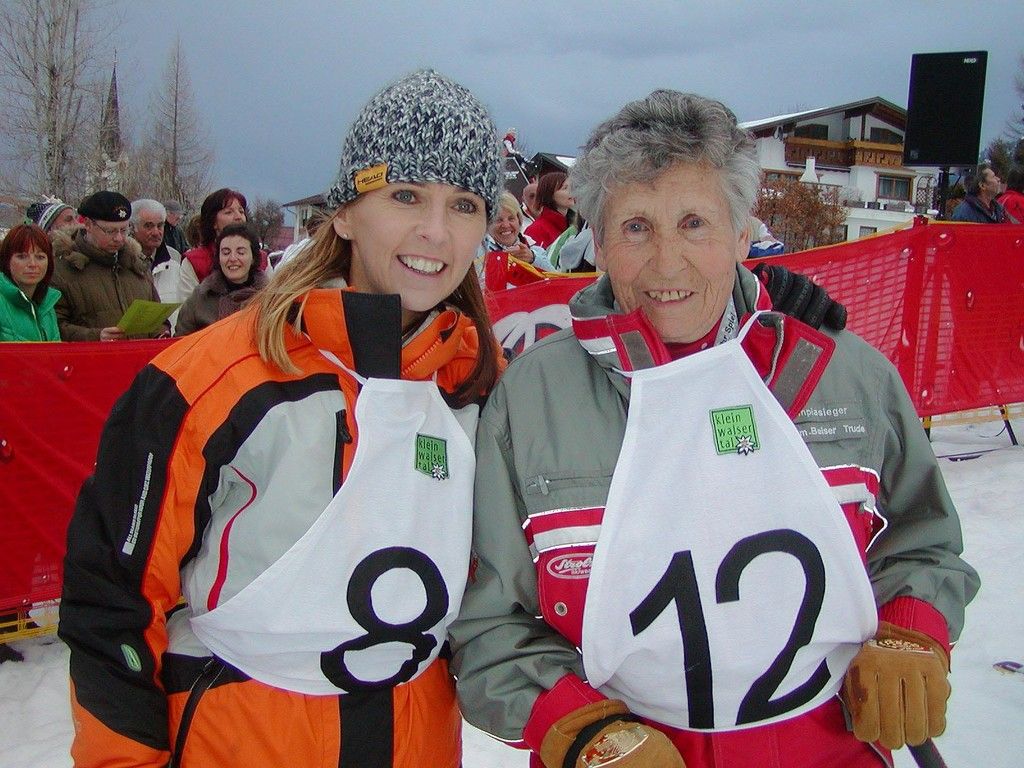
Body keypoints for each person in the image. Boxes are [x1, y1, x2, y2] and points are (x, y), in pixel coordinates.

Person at [450, 89, 979, 768]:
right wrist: (578, 728)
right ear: (599, 245)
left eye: (695, 223)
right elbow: (489, 621)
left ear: (740, 235)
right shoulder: (534, 401)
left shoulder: (844, 374)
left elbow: (924, 539)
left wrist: (914, 628)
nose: (667, 262)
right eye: (636, 227)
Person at [59, 69, 505, 768]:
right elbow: (111, 597)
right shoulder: (206, 381)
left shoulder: (479, 384)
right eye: (407, 195)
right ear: (346, 212)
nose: (435, 231)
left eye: (465, 204)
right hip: (236, 740)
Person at [50, 191, 165, 341]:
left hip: (140, 360)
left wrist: (161, 332)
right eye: (110, 231)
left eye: (124, 230)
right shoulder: (63, 269)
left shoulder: (136, 264)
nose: (118, 238)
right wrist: (96, 336)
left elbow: (155, 315)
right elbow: (54, 327)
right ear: (88, 225)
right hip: (93, 361)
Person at [174, 223, 268, 335]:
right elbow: (180, 341)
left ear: (253, 258)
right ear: (218, 258)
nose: (232, 258)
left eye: (241, 252)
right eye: (226, 252)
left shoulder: (269, 299)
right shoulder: (200, 297)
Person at [179, 188, 269, 297]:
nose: (238, 217)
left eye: (241, 211)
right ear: (213, 222)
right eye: (229, 212)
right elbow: (185, 310)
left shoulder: (262, 259)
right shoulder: (194, 262)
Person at [0, 224, 61, 341]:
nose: (32, 264)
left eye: (40, 257)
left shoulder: (48, 304)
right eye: (22, 256)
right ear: (7, 260)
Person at [479, 190, 552, 272]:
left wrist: (533, 259)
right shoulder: (478, 254)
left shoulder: (535, 250)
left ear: (519, 220)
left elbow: (558, 279)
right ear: (487, 224)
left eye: (511, 219)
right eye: (498, 220)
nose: (506, 225)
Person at [131, 199, 183, 304]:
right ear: (132, 227)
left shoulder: (174, 263)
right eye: (148, 226)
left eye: (160, 225)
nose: (156, 232)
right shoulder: (121, 266)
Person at [950, 163, 1016, 223]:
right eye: (993, 177)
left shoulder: (998, 208)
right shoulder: (963, 213)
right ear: (982, 185)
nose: (998, 179)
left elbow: (1016, 228)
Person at [524, 171, 573, 248]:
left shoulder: (575, 224)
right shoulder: (536, 230)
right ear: (549, 193)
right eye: (565, 188)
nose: (571, 191)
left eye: (572, 187)